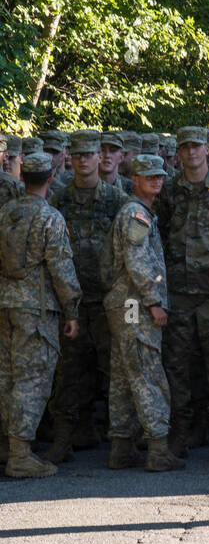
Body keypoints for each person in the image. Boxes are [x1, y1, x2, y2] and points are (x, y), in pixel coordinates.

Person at [45, 131, 128, 463]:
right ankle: (64, 437)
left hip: (108, 300)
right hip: (74, 302)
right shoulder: (60, 200)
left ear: (98, 157)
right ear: (70, 158)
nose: (83, 160)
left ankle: (122, 439)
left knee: (117, 369)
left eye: (89, 154)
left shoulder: (116, 200)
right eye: (77, 155)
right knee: (69, 372)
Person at [158, 126, 209, 461]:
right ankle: (182, 432)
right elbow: (159, 232)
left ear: (208, 149)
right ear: (178, 152)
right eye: (184, 148)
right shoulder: (170, 190)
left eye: (196, 147)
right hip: (178, 293)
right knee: (177, 368)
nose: (190, 153)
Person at [0, 151, 81, 478]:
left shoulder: (5, 212)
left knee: (6, 376)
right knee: (32, 380)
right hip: (36, 308)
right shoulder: (50, 218)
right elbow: (62, 270)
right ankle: (20, 454)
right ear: (50, 178)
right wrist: (72, 310)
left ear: (21, 178)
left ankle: (7, 446)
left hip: (4, 303)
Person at [102, 155, 182, 471]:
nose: (156, 181)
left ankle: (121, 446)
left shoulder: (140, 212)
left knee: (124, 373)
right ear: (134, 178)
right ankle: (158, 448)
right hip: (134, 305)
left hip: (125, 304)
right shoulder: (136, 214)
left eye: (159, 176)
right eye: (149, 176)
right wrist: (154, 302)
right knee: (147, 370)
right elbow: (136, 262)